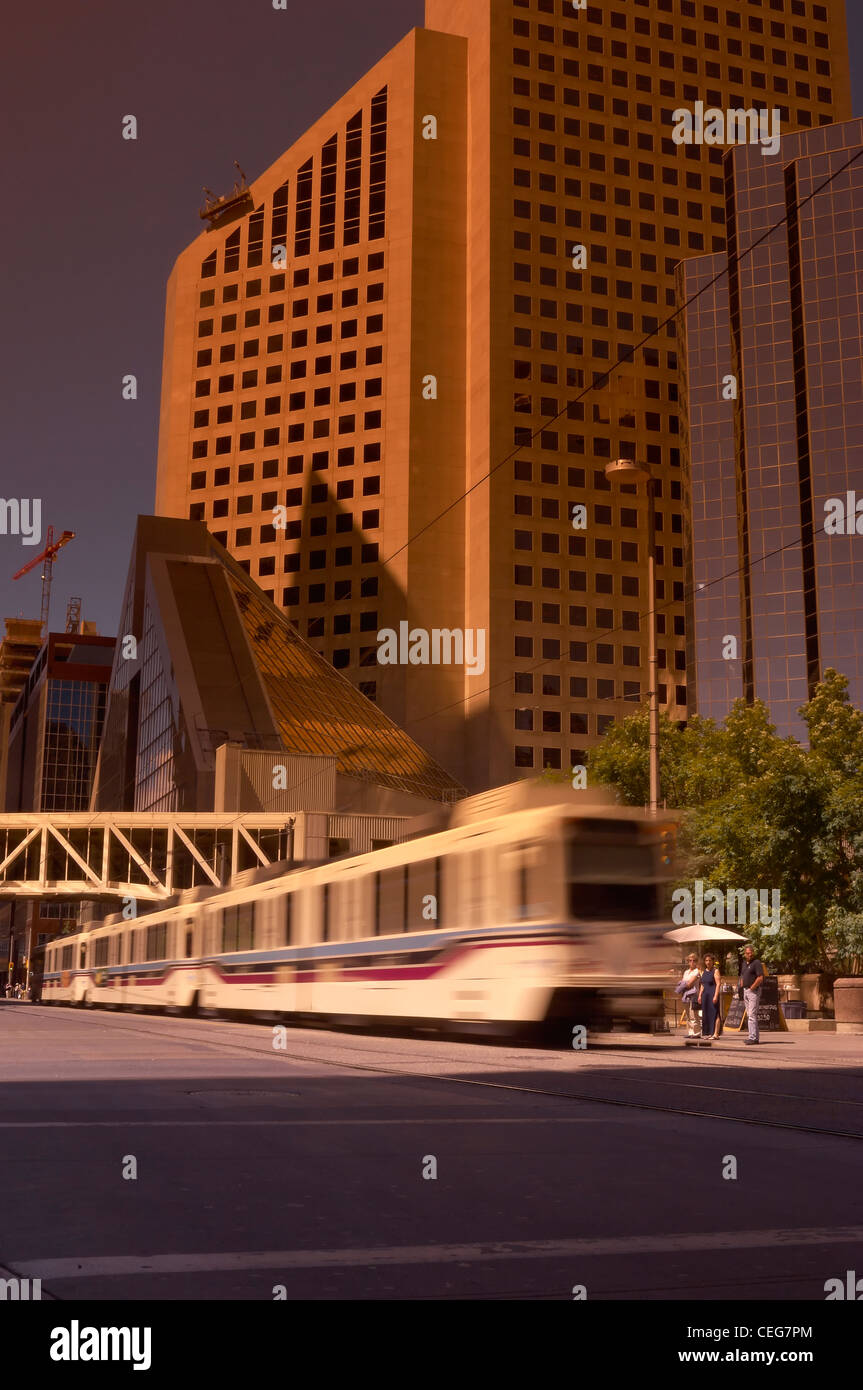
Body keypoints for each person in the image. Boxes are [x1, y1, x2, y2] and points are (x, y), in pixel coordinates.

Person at [738, 944, 765, 1045]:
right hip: (745, 990)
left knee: (752, 1015)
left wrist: (752, 988)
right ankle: (755, 1037)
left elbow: (760, 978)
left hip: (753, 991)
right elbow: (742, 975)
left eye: (751, 953)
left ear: (753, 953)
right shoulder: (744, 963)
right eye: (747, 953)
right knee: (750, 1015)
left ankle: (752, 1037)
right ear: (745, 954)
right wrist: (742, 985)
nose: (749, 955)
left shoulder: (756, 963)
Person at [676, 954, 702, 1038]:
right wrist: (683, 985)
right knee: (687, 1015)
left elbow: (689, 984)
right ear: (688, 962)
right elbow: (684, 983)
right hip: (685, 995)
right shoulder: (686, 972)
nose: (692, 962)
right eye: (690, 960)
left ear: (697, 962)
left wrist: (682, 985)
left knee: (693, 1014)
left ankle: (696, 1033)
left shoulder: (697, 971)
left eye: (694, 960)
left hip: (694, 995)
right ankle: (690, 1032)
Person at [698, 953, 722, 1043]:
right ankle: (709, 1033)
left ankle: (716, 1034)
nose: (708, 962)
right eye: (706, 960)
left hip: (712, 994)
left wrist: (716, 995)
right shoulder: (704, 972)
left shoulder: (715, 971)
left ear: (712, 961)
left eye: (710, 960)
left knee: (715, 1013)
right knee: (707, 1014)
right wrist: (700, 995)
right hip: (705, 995)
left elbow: (718, 984)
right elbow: (702, 985)